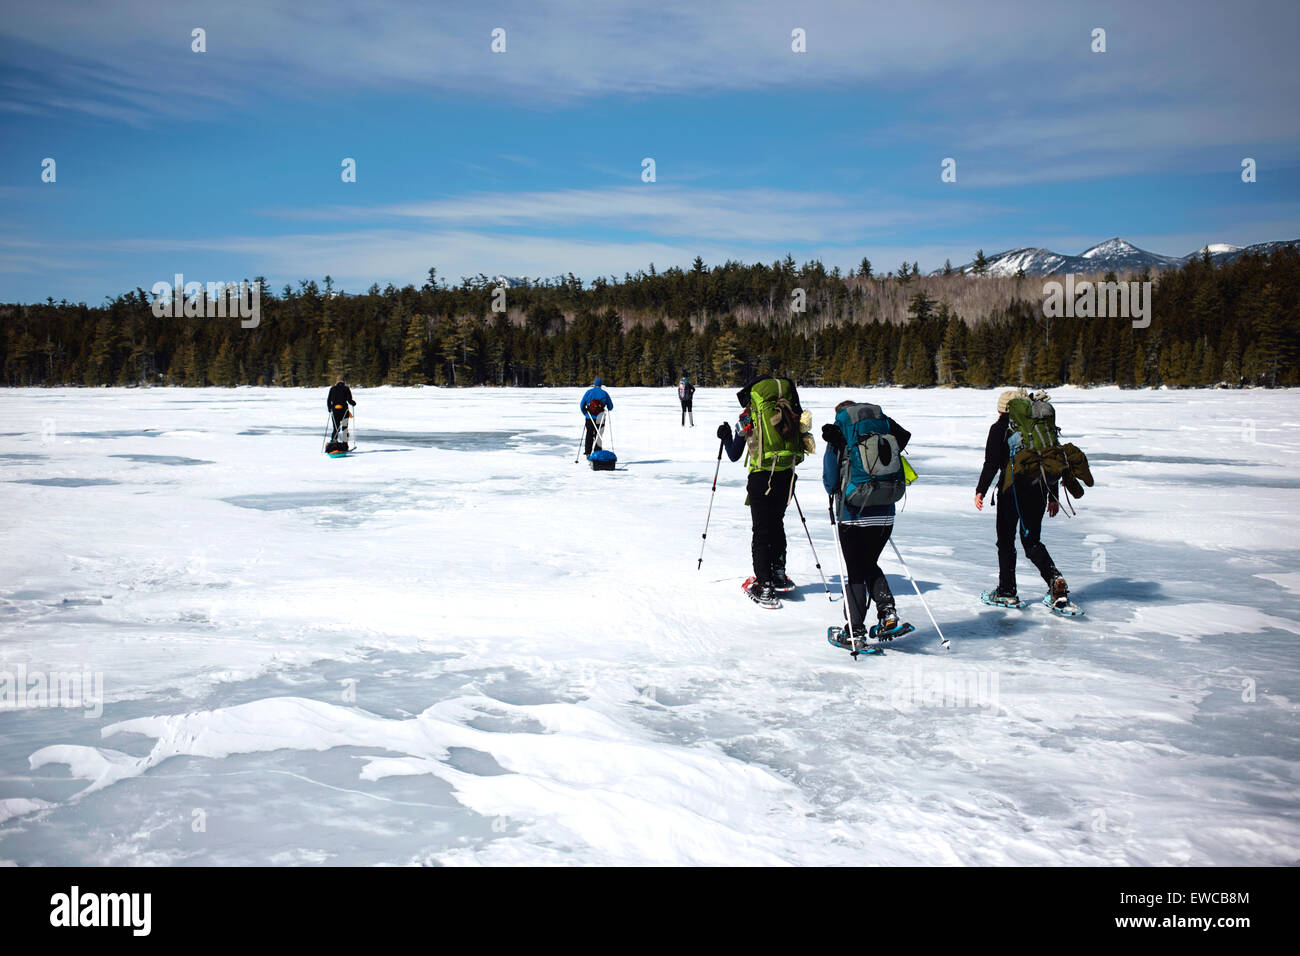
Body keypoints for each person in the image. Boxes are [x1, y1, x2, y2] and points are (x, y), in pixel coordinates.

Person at [821, 400, 912, 640]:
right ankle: (887, 613)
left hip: (853, 514)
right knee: (868, 563)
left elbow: (830, 482)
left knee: (856, 571)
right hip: (885, 513)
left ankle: (855, 629)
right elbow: (904, 437)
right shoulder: (881, 430)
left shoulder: (839, 436)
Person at [716, 375, 807, 605]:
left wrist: (726, 436)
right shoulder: (788, 407)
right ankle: (778, 572)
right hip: (787, 476)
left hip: (761, 479)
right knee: (777, 524)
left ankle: (764, 583)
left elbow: (735, 454)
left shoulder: (749, 415)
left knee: (761, 531)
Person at [975, 388, 1069, 607]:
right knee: (1032, 541)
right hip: (1039, 489)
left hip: (1011, 492)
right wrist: (1053, 497)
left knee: (1006, 541)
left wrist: (981, 490)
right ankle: (1055, 580)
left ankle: (1007, 590)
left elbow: (991, 464)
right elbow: (1050, 460)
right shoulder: (1037, 428)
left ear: (1001, 408)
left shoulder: (999, 428)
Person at [579, 376, 614, 457]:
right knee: (598, 436)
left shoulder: (588, 392)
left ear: (594, 384)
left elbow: (581, 405)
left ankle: (588, 453)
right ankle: (597, 454)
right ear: (601, 384)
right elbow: (611, 407)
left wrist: (585, 413)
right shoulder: (604, 393)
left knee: (589, 434)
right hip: (600, 418)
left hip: (589, 418)